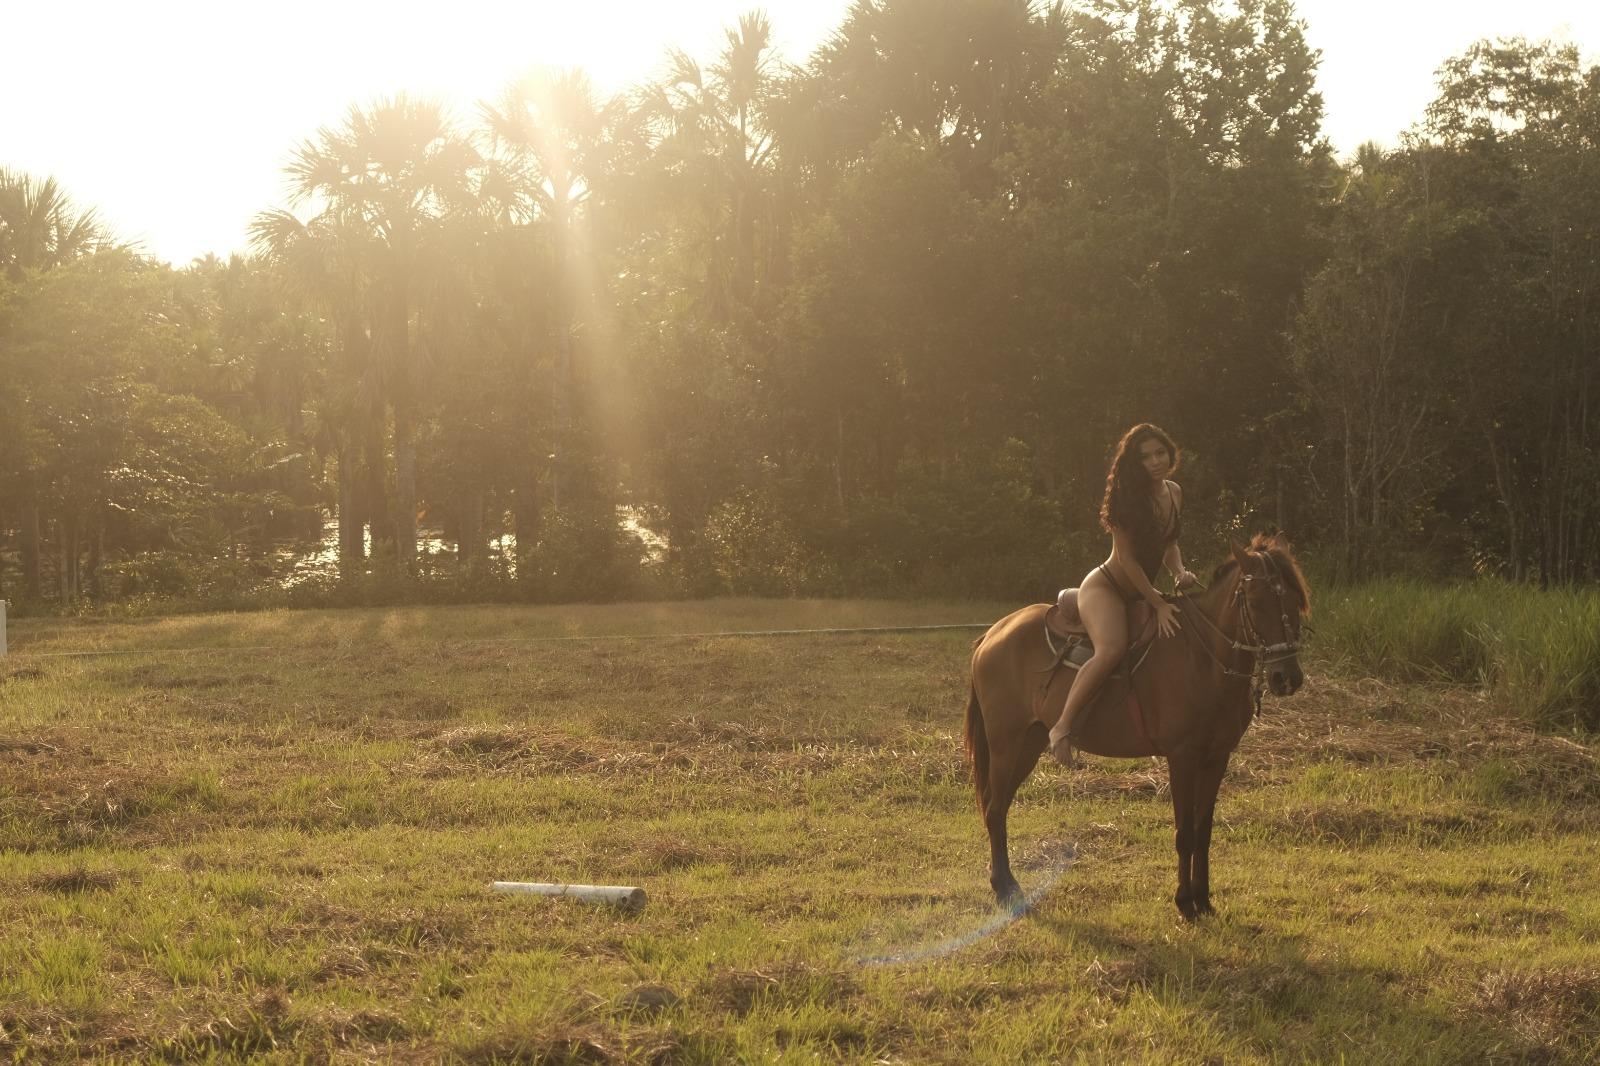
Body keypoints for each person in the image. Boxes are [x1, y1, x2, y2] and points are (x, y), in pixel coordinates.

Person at [1047, 423, 1197, 765]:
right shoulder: (1129, 499)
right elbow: (1128, 561)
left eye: (1161, 453)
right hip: (1107, 588)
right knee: (1111, 649)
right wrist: (1158, 602)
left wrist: (1179, 572)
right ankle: (1062, 728)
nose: (1156, 461)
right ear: (1135, 463)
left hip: (1141, 590)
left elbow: (1170, 543)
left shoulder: (1174, 492)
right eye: (1146, 457)